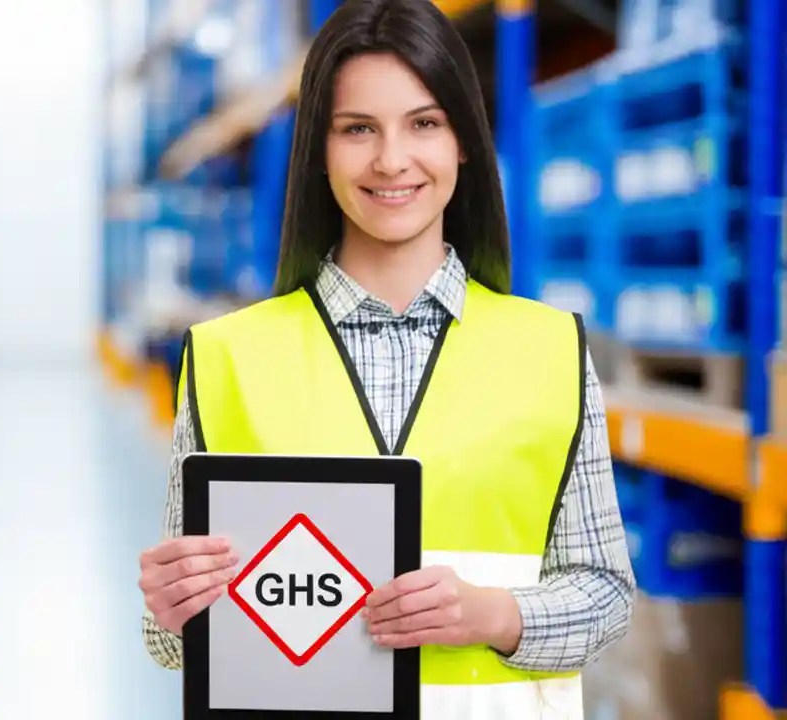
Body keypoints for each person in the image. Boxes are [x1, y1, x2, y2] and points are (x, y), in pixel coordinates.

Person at [135, 0, 636, 717]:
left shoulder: (549, 352)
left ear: (463, 139)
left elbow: (608, 594)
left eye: (424, 123)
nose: (391, 160)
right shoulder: (228, 359)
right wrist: (170, 609)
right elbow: (174, 639)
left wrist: (494, 616)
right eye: (357, 129)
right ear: (320, 152)